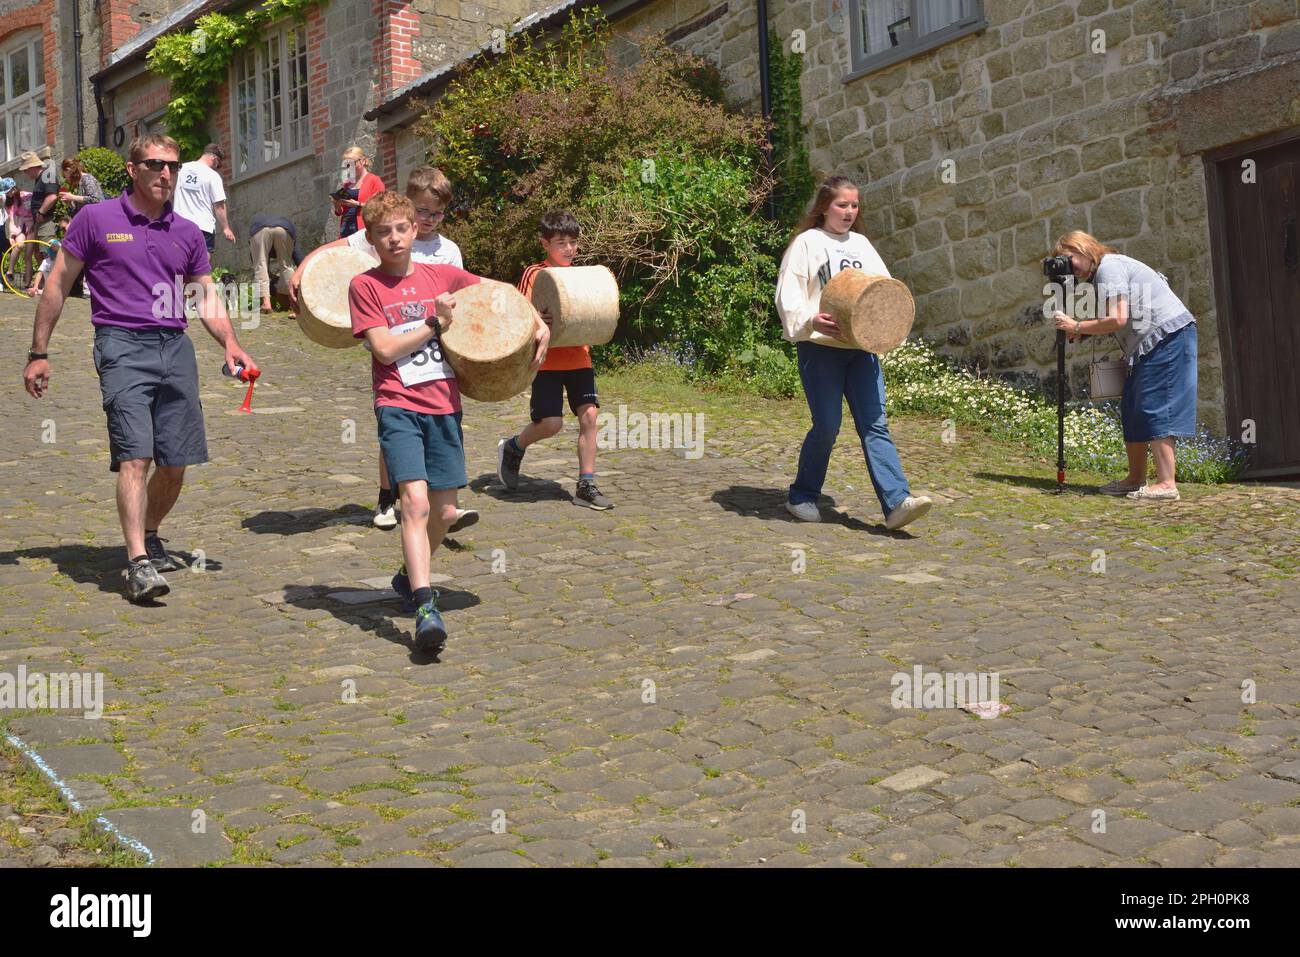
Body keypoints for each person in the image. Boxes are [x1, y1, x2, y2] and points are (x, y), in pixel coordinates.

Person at [23, 134, 258, 604]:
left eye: (171, 165)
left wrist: (231, 342)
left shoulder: (187, 230)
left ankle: (149, 534)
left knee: (175, 461)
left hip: (175, 347)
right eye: (154, 164)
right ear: (133, 170)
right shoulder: (96, 219)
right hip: (120, 346)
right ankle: (136, 563)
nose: (165, 173)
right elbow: (58, 282)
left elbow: (205, 294)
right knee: (135, 455)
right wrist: (38, 351)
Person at [346, 191, 545, 653]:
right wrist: (434, 324)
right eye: (383, 233)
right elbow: (385, 350)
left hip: (444, 406)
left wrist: (538, 321)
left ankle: (405, 577)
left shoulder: (443, 275)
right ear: (371, 239)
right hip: (397, 404)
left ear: (414, 229)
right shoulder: (366, 287)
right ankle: (424, 605)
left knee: (446, 512)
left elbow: (499, 294)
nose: (394, 239)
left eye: (401, 228)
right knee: (413, 504)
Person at [293, 167, 473, 532]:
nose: (428, 220)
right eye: (422, 212)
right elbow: (338, 248)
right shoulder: (387, 231)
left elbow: (463, 294)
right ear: (409, 206)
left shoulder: (448, 251)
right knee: (396, 425)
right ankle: (386, 495)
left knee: (441, 425)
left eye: (436, 213)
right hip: (393, 347)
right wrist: (304, 267)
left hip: (435, 354)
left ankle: (441, 502)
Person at [774, 175, 933, 531]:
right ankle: (801, 495)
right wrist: (810, 320)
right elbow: (789, 295)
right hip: (821, 350)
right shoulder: (807, 243)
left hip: (861, 352)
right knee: (827, 426)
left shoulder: (861, 244)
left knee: (875, 424)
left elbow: (882, 291)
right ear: (824, 207)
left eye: (854, 205)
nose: (849, 212)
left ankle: (896, 502)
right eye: (841, 205)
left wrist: (887, 329)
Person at [1051, 230, 1198, 502]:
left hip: (1167, 336)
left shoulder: (1109, 267)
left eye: (1069, 259)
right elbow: (1121, 316)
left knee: (1156, 403)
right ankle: (1135, 479)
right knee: (1133, 405)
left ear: (1083, 248)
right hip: (1153, 341)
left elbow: (1117, 319)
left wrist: (1077, 325)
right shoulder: (1105, 270)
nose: (1070, 267)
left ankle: (1167, 483)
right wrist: (1084, 332)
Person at [496, 210, 613, 510]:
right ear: (545, 244)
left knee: (590, 416)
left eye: (573, 242)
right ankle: (513, 447)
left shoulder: (581, 275)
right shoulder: (535, 274)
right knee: (550, 424)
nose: (569, 249)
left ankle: (586, 484)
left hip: (579, 358)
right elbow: (520, 312)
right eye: (561, 242)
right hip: (546, 362)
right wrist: (538, 318)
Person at [172, 144, 235, 253]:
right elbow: (219, 205)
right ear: (214, 158)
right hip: (203, 226)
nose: (217, 167)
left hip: (179, 224)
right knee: (203, 265)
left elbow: (169, 192)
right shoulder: (213, 175)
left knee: (180, 261)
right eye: (218, 164)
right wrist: (226, 228)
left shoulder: (181, 169)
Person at [248, 213, 303, 312]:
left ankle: (266, 303)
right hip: (284, 229)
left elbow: (255, 261)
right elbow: (299, 258)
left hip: (260, 229)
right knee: (287, 265)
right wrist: (303, 272)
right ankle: (291, 302)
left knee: (261, 264)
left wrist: (267, 272)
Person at [19, 151, 58, 276]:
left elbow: (52, 197)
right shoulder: (40, 179)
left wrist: (41, 212)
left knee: (48, 253)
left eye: (25, 170)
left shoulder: (48, 176)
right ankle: (45, 283)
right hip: (39, 222)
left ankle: (53, 284)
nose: (25, 173)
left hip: (46, 221)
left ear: (32, 167)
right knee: (39, 253)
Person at [332, 146, 384, 239]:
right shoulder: (347, 184)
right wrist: (336, 203)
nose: (349, 167)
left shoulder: (374, 180)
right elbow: (340, 212)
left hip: (363, 227)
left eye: (352, 163)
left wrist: (358, 204)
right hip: (346, 227)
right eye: (347, 164)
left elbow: (381, 206)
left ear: (363, 161)